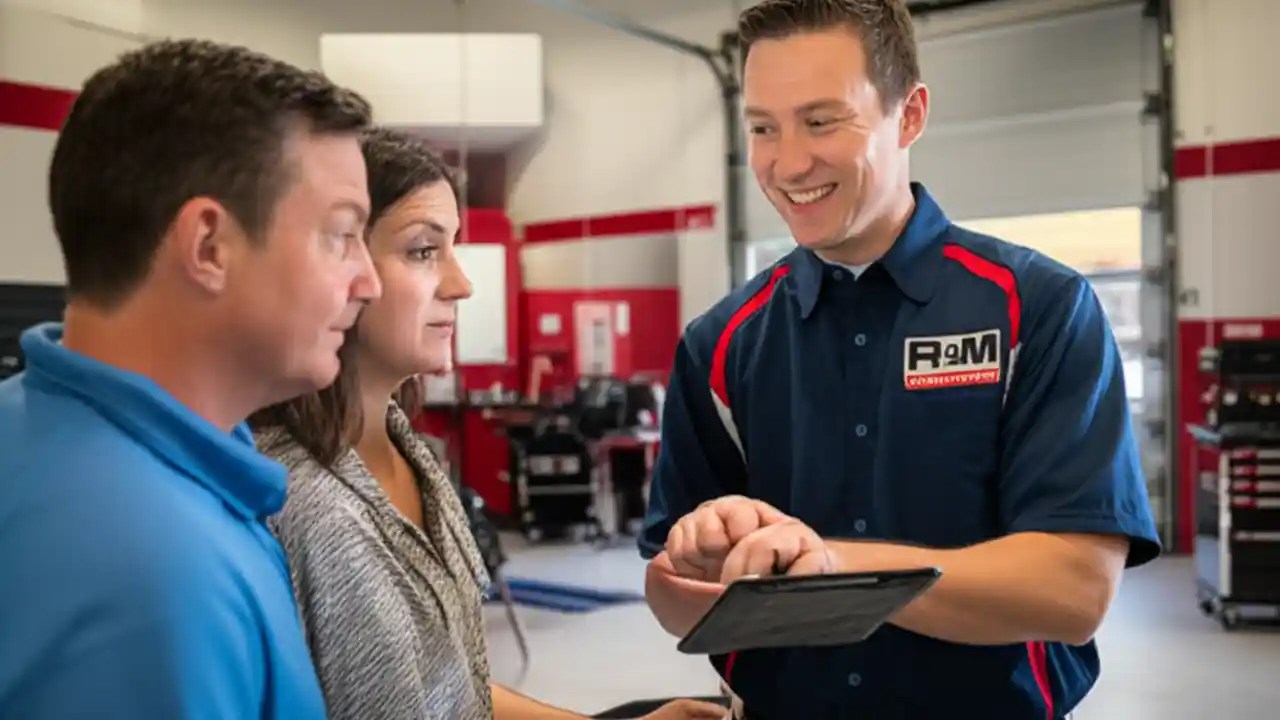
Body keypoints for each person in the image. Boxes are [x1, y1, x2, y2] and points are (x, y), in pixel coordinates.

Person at [639, 1, 1163, 718]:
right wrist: (701, 559)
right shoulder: (721, 342)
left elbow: (1074, 592)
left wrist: (831, 568)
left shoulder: (1037, 309)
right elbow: (673, 603)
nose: (788, 163)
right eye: (763, 127)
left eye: (822, 121)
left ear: (909, 114)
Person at [250, 128, 726, 720]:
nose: (462, 283)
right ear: (338, 265)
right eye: (423, 251)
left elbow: (455, 694)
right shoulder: (289, 497)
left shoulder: (411, 456)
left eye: (453, 249)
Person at [0, 39, 380, 718]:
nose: (368, 281)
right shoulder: (156, 574)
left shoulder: (35, 433)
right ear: (209, 246)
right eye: (341, 235)